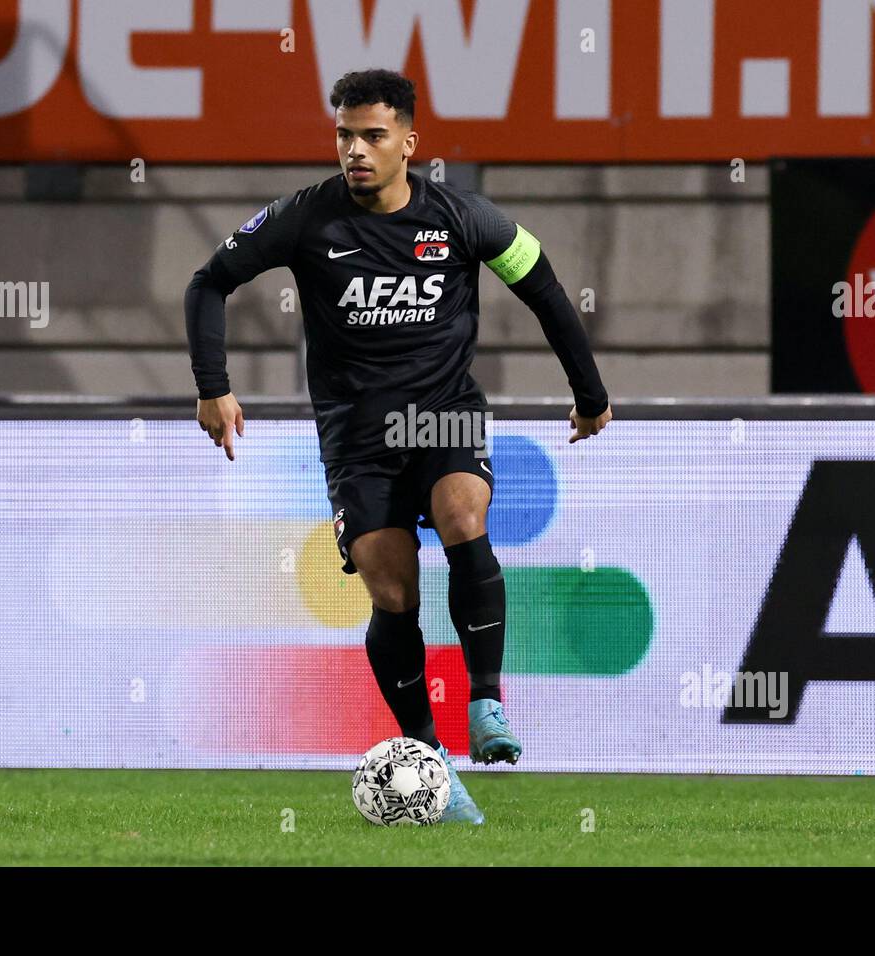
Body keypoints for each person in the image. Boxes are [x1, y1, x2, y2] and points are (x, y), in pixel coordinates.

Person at [187, 69, 612, 824]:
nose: (355, 149)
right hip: (358, 439)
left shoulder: (462, 218)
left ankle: (486, 703)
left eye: (373, 136)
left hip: (444, 418)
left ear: (409, 144)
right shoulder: (304, 219)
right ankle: (430, 760)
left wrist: (590, 394)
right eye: (345, 135)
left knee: (465, 521)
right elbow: (208, 283)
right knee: (392, 594)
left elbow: (545, 287)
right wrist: (213, 384)